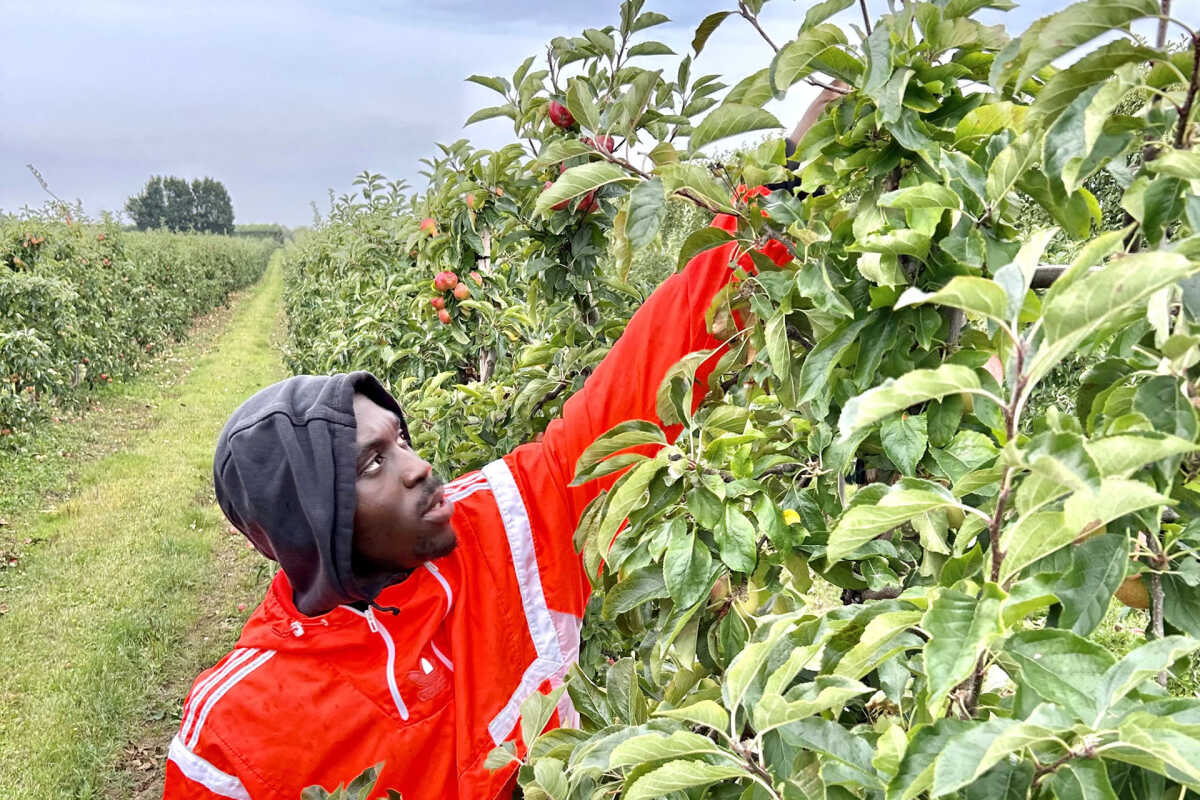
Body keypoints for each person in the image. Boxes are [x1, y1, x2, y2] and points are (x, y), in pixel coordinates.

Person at [162, 88, 841, 800]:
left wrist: (783, 185)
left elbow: (649, 371)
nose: (420, 467)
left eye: (401, 441)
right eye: (372, 463)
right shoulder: (233, 737)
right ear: (311, 523)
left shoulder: (503, 532)